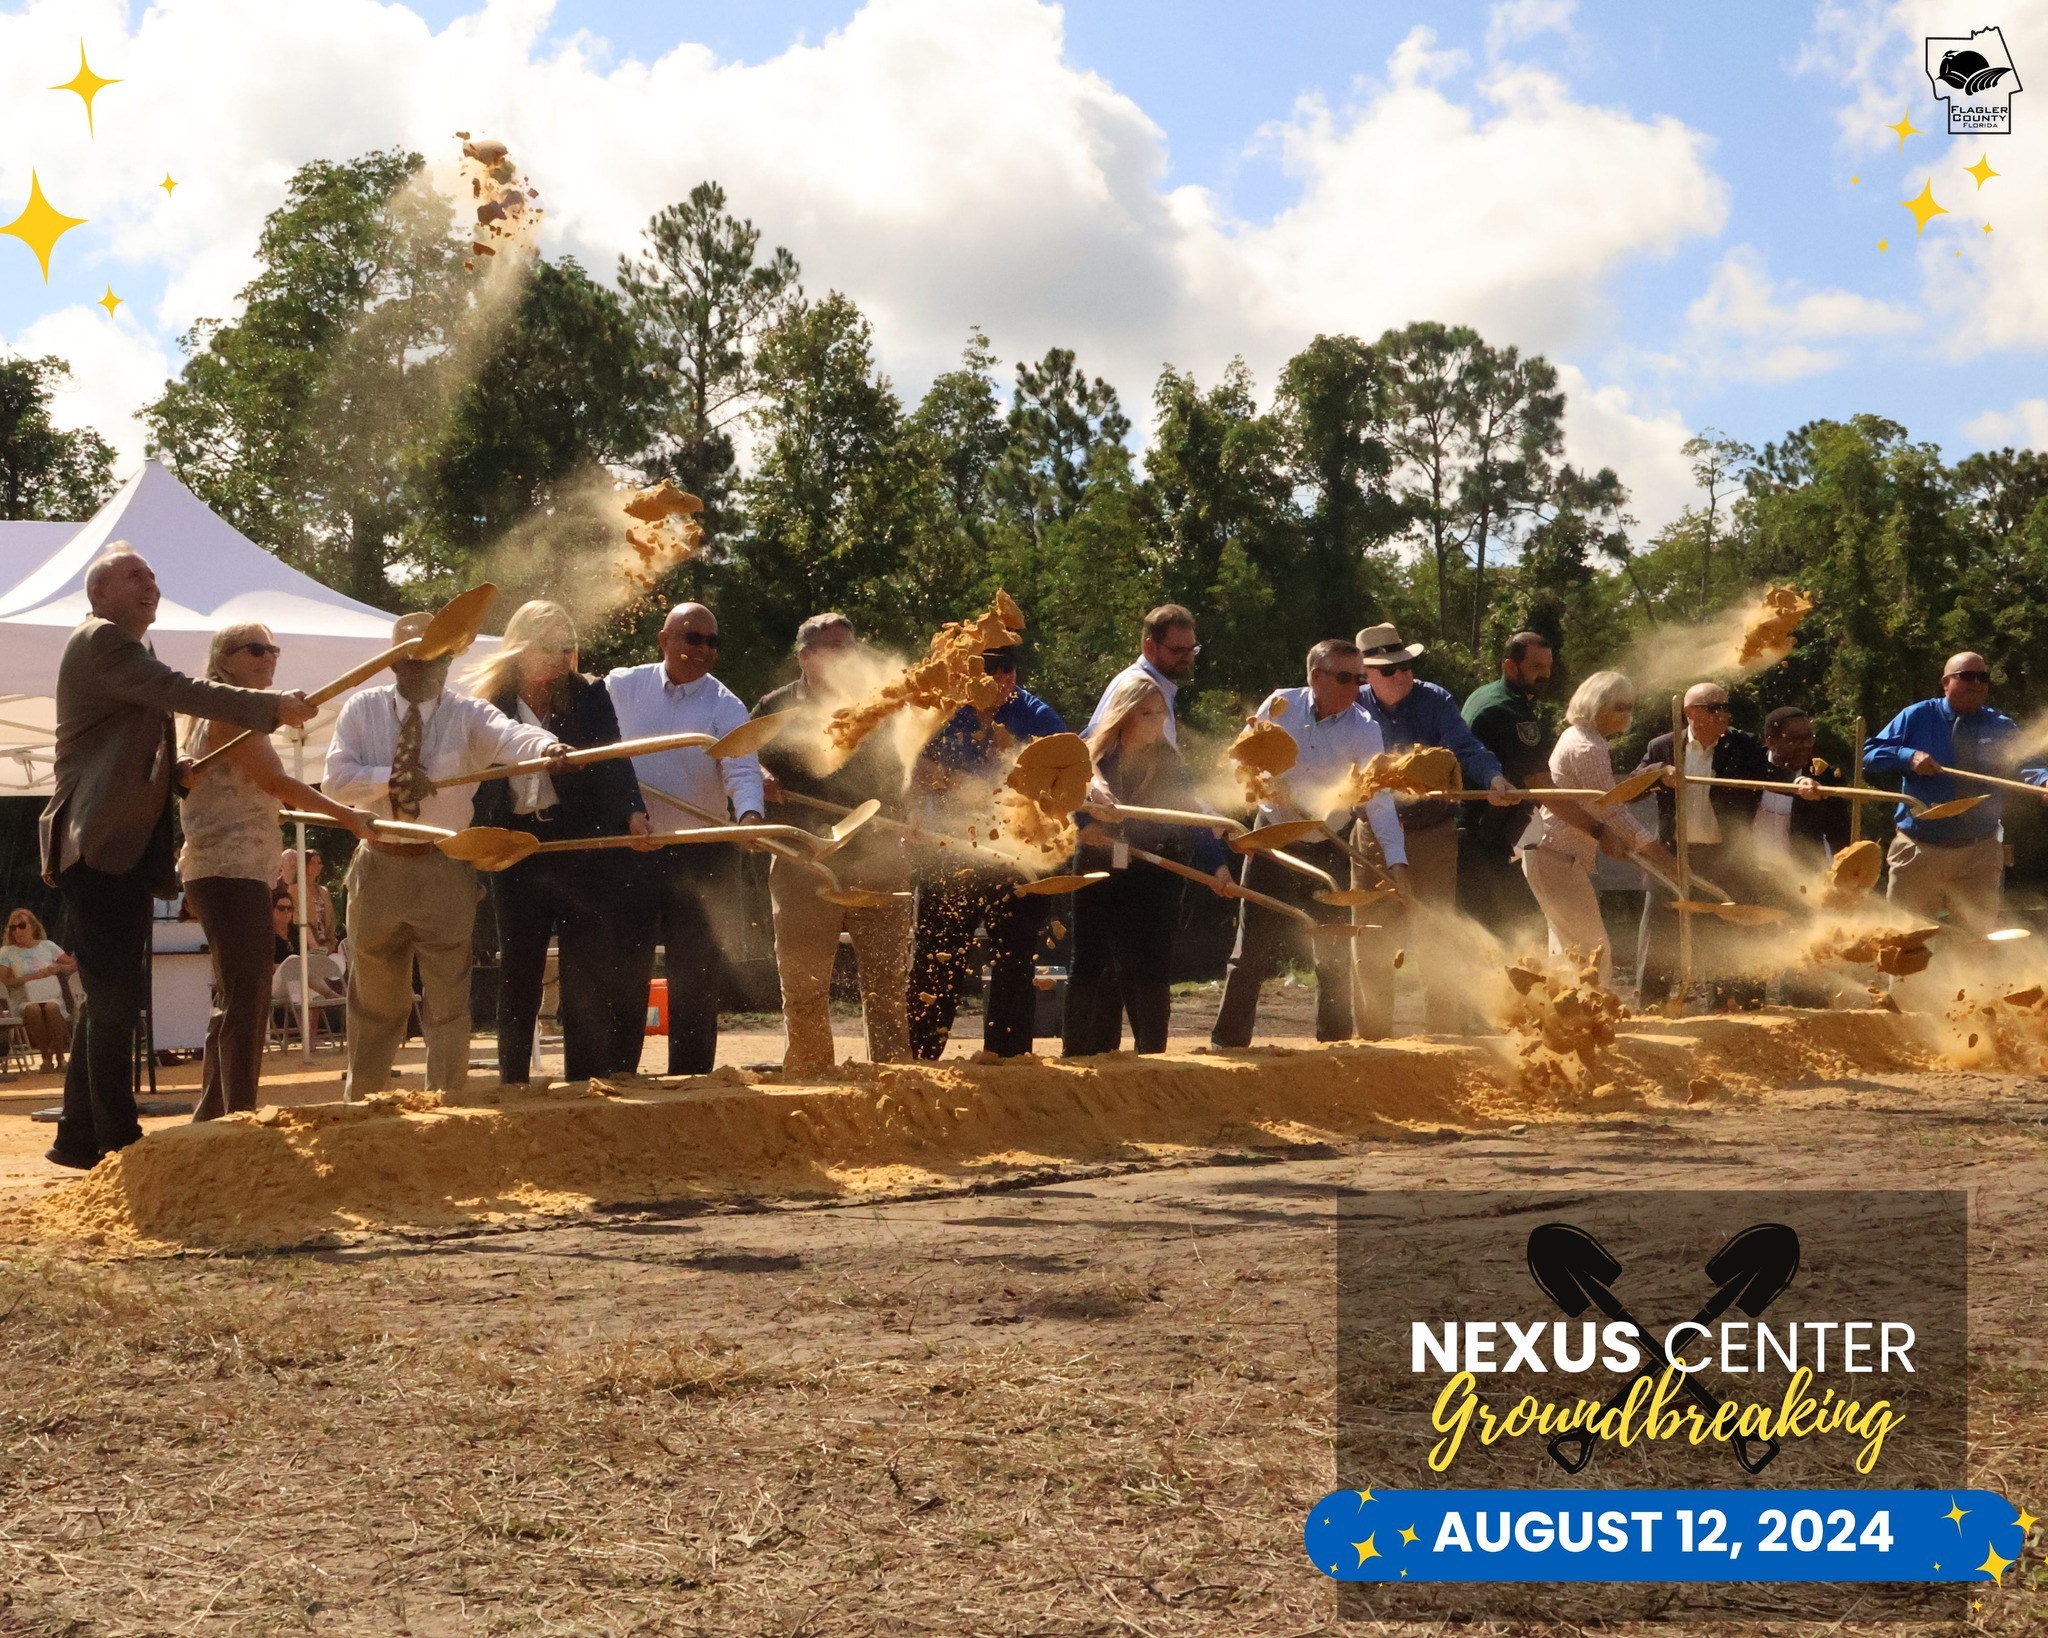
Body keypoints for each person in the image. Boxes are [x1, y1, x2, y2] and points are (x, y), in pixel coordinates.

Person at [37, 546, 314, 1168]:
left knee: (108, 995)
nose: (152, 584)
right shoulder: (104, 641)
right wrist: (267, 707)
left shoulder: (123, 650)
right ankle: (117, 1142)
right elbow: (176, 690)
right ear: (100, 592)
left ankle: (79, 1137)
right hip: (99, 843)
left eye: (154, 575)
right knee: (112, 998)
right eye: (135, 576)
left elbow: (126, 746)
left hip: (114, 845)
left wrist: (174, 773)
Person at [324, 611, 567, 1098]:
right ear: (392, 664)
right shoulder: (361, 710)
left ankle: (447, 1103)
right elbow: (335, 782)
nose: (422, 668)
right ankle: (365, 1104)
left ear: (450, 661)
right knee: (374, 1000)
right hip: (377, 866)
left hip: (444, 865)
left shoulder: (469, 713)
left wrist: (547, 745)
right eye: (410, 660)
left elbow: (509, 736)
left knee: (448, 1002)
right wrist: (389, 779)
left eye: (433, 658)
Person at [179, 623, 375, 1121]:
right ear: (224, 658)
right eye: (256, 649)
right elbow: (277, 780)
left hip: (222, 870)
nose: (270, 658)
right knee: (246, 994)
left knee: (235, 992)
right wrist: (348, 816)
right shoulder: (231, 712)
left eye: (274, 650)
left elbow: (260, 787)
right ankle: (236, 1112)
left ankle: (217, 1110)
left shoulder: (210, 712)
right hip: (230, 870)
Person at [473, 601, 652, 1085]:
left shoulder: (590, 695)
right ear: (520, 646)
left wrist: (634, 812)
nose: (561, 657)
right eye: (549, 646)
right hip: (515, 846)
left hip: (579, 843)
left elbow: (615, 758)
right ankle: (512, 1079)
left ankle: (584, 1079)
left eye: (568, 646)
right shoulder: (489, 703)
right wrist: (472, 855)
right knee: (519, 966)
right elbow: (471, 785)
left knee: (585, 967)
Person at [1211, 639, 1411, 1048]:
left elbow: (1378, 798)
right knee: (1249, 954)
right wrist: (1264, 787)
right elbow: (1240, 758)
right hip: (1270, 842)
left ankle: (1333, 1050)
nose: (1355, 687)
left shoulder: (1364, 728)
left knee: (1333, 957)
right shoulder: (1280, 705)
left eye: (1358, 679)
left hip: (1327, 844)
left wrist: (1398, 864)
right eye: (1344, 678)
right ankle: (1227, 1047)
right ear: (1316, 677)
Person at [607, 601, 764, 1076]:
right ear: (664, 639)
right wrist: (624, 811)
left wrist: (751, 815)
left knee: (696, 972)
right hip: (632, 848)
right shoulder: (620, 686)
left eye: (711, 641)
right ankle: (617, 1075)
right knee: (625, 966)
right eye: (692, 637)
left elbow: (741, 768)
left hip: (702, 852)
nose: (702, 649)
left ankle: (691, 1079)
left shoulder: (725, 704)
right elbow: (597, 756)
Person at [755, 613, 913, 1076]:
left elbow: (911, 758)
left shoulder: (881, 703)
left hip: (880, 854)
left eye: (849, 645)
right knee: (803, 985)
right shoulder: (774, 706)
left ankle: (894, 1080)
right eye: (832, 647)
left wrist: (914, 805)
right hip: (802, 860)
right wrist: (758, 776)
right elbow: (739, 760)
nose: (845, 656)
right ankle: (811, 1077)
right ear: (804, 656)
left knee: (887, 984)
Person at [1350, 621, 1512, 1035]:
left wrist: (1492, 778)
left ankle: (1441, 1037)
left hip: (1433, 834)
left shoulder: (1435, 698)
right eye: (1389, 670)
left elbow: (1465, 747)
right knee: (1371, 937)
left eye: (1405, 665)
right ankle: (1373, 1039)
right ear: (1366, 674)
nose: (1402, 674)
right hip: (1372, 838)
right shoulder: (1351, 708)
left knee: (1437, 934)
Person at [907, 646, 1068, 1059]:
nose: (1003, 678)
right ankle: (918, 1058)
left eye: (1008, 667)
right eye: (991, 669)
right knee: (937, 956)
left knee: (1015, 960)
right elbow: (910, 773)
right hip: (948, 852)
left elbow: (1068, 772)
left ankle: (1008, 1061)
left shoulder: (1037, 717)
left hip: (1013, 858)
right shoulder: (938, 713)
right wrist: (913, 810)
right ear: (968, 673)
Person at [1065, 675, 1232, 1055]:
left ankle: (1152, 1054)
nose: (1157, 721)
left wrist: (1215, 867)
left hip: (1151, 869)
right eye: (1147, 713)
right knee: (1090, 957)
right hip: (1097, 866)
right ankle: (1076, 1056)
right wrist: (1087, 823)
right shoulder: (1093, 756)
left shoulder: (1169, 762)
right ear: (1125, 716)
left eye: (1161, 713)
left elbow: (1190, 817)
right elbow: (1066, 794)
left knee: (1152, 960)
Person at [1863, 652, 2048, 934]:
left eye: (1983, 677)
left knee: (1976, 942)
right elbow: (1871, 754)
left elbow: (2028, 763)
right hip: (1918, 849)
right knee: (1903, 941)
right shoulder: (1916, 716)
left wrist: (2044, 781)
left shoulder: (2000, 725)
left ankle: (1966, 980)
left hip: (1980, 853)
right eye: (1967, 676)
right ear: (1945, 682)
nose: (1976, 683)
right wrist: (1907, 756)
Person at [1517, 672, 1678, 989]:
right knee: (1593, 953)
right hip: (1556, 857)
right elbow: (1610, 809)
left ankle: (1562, 1024)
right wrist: (1662, 858)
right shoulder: (1588, 748)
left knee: (1568, 952)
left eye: (1630, 707)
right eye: (1619, 707)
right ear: (1595, 704)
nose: (1626, 715)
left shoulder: (1577, 737)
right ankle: (1589, 1024)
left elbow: (1605, 806)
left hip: (1551, 854)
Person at [1632, 681, 1773, 1010]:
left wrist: (1800, 780)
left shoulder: (1744, 744)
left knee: (1730, 930)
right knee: (1658, 929)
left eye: (1726, 706)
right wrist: (1658, 773)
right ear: (1690, 713)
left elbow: (1773, 775)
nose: (1723, 713)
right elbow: (1631, 787)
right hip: (1673, 854)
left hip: (1725, 856)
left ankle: (1735, 1006)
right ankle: (1650, 1007)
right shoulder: (1663, 747)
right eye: (1714, 707)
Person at [1458, 631, 1555, 938]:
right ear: (1511, 667)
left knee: (1493, 927)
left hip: (1479, 837)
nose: (1546, 675)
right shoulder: (1508, 710)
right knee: (1510, 929)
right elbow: (1540, 785)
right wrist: (1593, 825)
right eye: (1536, 667)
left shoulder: (1485, 695)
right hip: (1482, 838)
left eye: (1548, 666)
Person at [1082, 604, 1199, 748]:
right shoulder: (1136, 687)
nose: (1188, 658)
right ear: (1150, 647)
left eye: (1192, 650)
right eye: (1178, 650)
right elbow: (1100, 756)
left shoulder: (1159, 685)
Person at [1, 910, 75, 1073]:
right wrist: (30, 977)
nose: (17, 931)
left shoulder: (48, 946)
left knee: (51, 1008)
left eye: (22, 926)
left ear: (33, 927)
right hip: (23, 999)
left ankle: (60, 1057)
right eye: (13, 928)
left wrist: (58, 968)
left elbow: (72, 965)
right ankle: (45, 1057)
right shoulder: (7, 952)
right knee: (34, 1009)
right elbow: (4, 981)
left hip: (50, 995)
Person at [275, 847, 339, 953]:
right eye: (313, 862)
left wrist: (330, 944)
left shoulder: (324, 891)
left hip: (327, 944)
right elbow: (298, 920)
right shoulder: (294, 889)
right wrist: (314, 945)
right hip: (307, 946)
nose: (317, 865)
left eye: (319, 862)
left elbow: (331, 920)